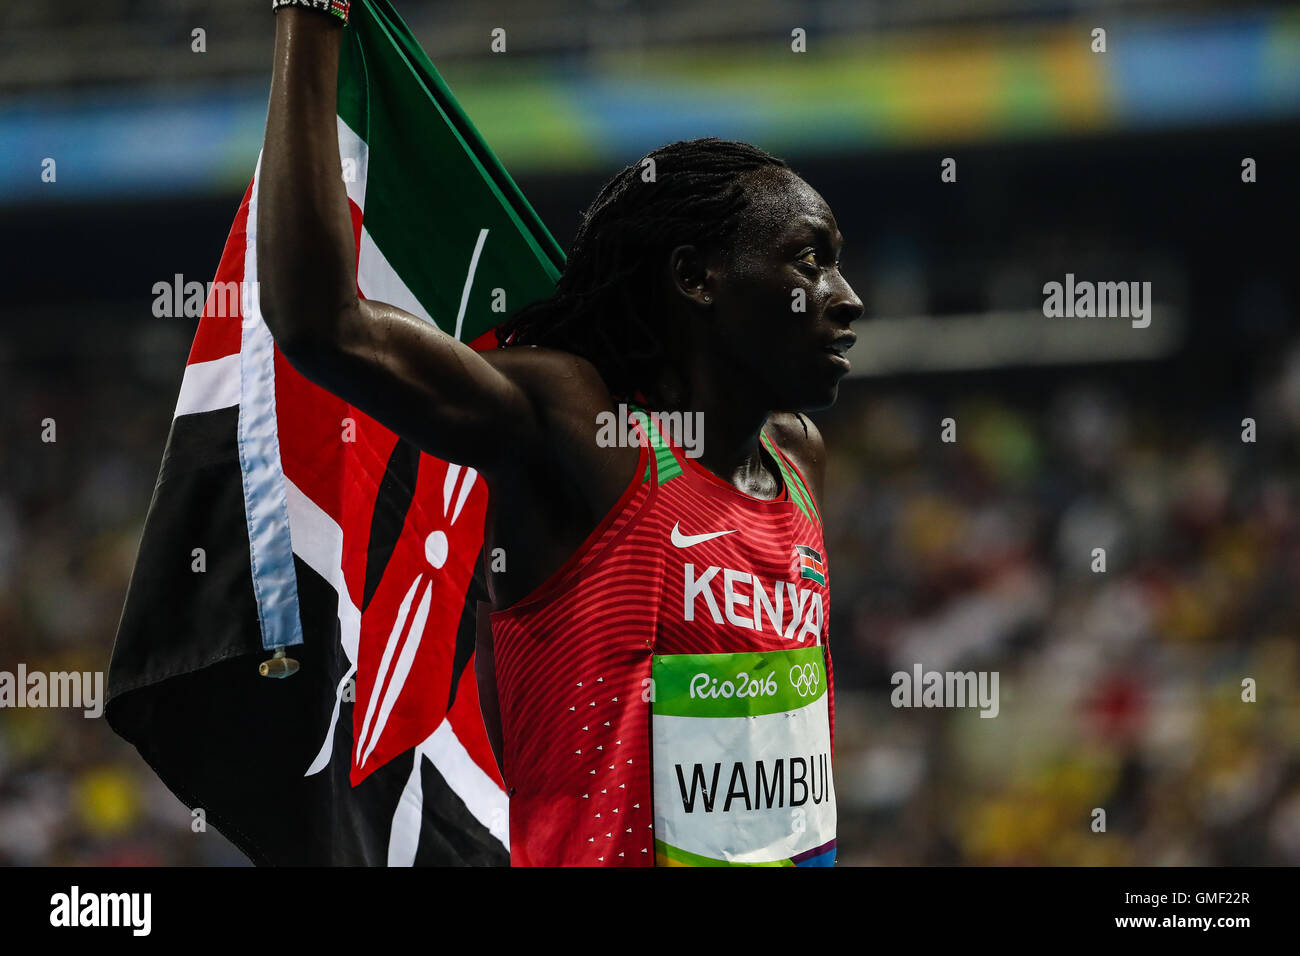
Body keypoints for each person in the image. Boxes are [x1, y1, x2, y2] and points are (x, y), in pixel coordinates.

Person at [258, 1, 863, 866]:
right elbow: (326, 323)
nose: (846, 298)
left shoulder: (799, 460)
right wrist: (310, 16)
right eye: (810, 260)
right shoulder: (579, 429)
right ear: (696, 278)